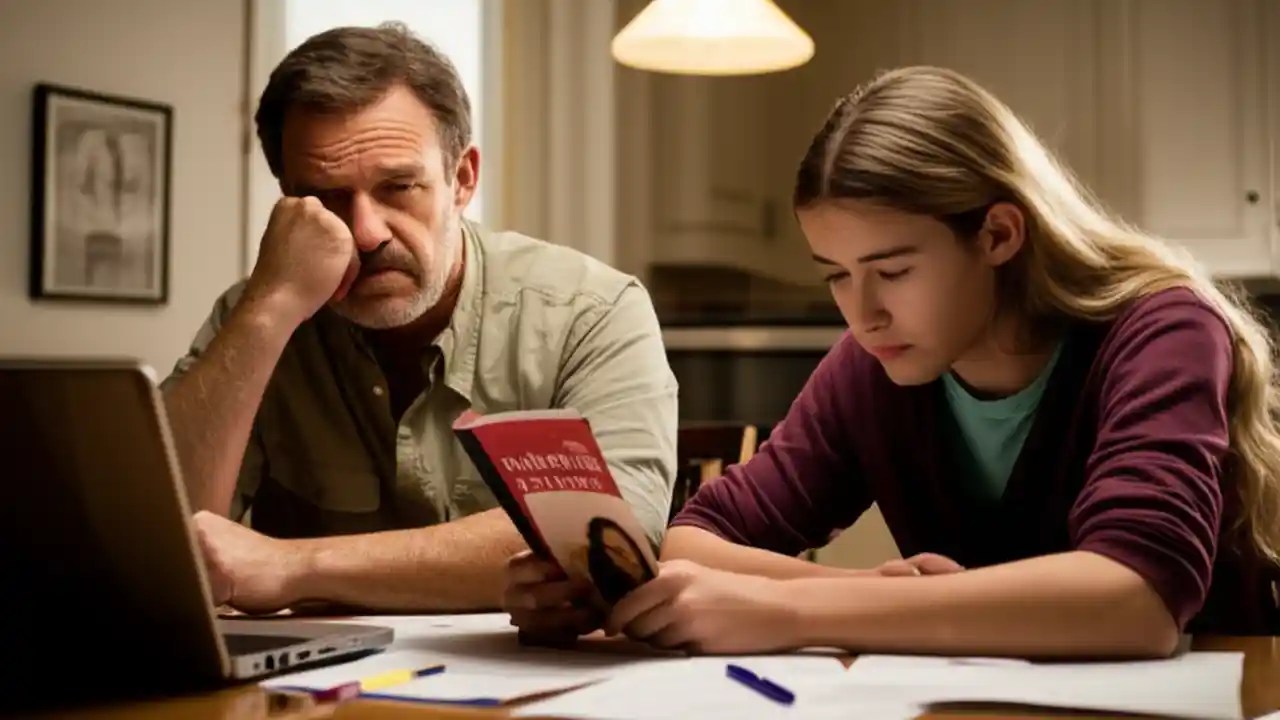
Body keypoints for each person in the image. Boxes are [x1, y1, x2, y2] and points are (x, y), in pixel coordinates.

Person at [504, 66, 1280, 657]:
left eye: (894, 270)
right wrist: (853, 587)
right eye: (835, 274)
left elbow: (1134, 600)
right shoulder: (872, 362)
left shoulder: (1162, 331)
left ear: (1000, 235)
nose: (862, 312)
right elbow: (697, 538)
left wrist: (787, 611)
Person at [161, 23, 677, 614]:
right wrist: (264, 315)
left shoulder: (591, 312)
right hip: (313, 697)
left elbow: (609, 536)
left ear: (462, 179)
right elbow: (157, 544)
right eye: (325, 198)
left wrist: (293, 566)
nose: (366, 232)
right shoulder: (253, 317)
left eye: (399, 187)